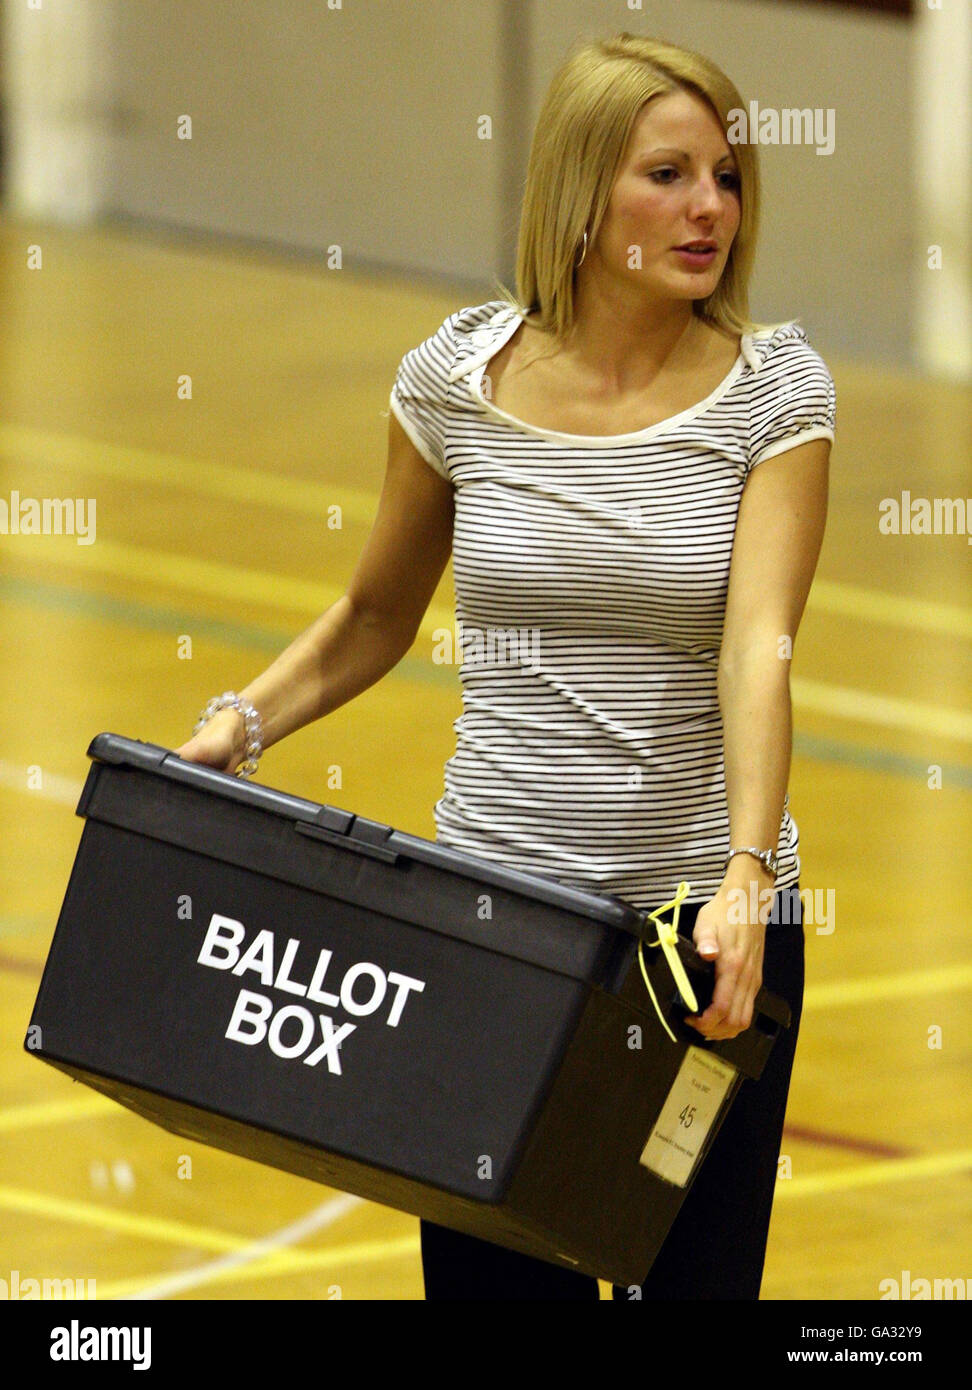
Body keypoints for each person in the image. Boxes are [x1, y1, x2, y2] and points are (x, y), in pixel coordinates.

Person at [176, 31, 834, 1300]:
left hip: (701, 941)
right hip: (493, 932)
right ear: (583, 193)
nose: (711, 208)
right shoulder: (455, 381)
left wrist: (747, 873)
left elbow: (760, 645)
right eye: (670, 175)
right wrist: (241, 725)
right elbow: (373, 616)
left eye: (729, 177)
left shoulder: (774, 393)